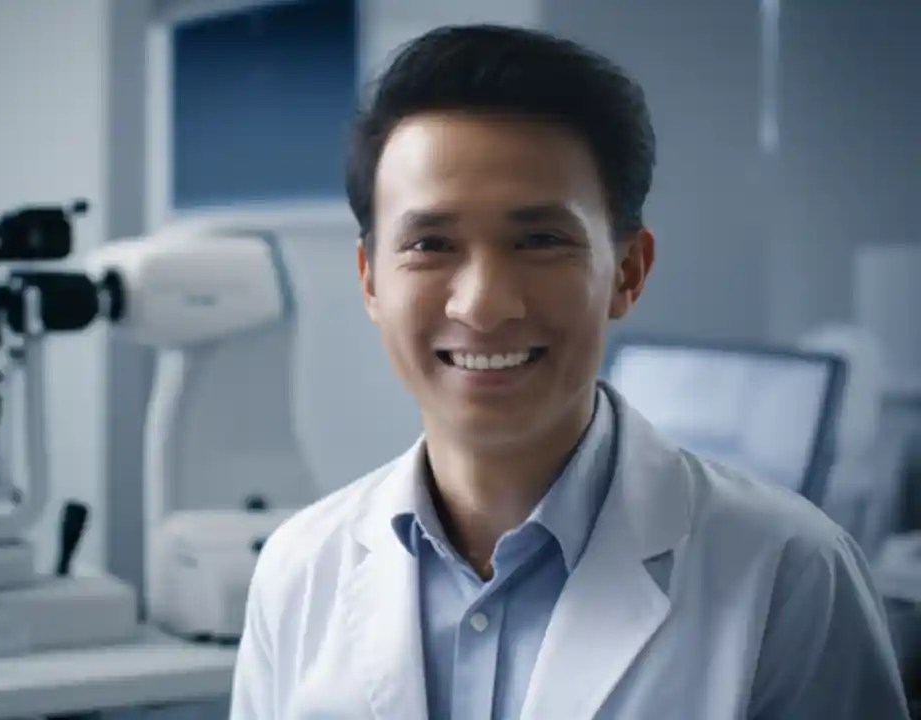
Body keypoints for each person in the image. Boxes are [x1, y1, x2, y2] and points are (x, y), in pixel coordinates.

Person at [228, 23, 908, 719]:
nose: (484, 306)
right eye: (431, 244)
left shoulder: (791, 573)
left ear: (628, 272)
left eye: (541, 240)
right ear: (371, 281)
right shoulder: (299, 569)